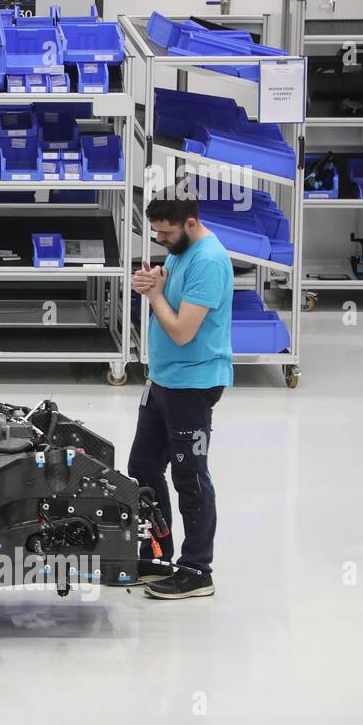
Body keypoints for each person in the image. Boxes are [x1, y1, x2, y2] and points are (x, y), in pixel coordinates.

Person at [130, 193, 233, 600]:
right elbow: (170, 299)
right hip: (164, 380)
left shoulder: (208, 260)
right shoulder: (179, 250)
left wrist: (155, 297)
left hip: (193, 384)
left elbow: (182, 331)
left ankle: (196, 570)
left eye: (166, 233)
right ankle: (157, 555)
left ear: (190, 223)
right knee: (143, 467)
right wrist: (155, 284)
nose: (161, 241)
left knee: (189, 476)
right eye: (156, 234)